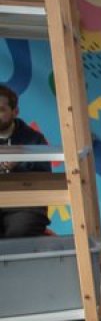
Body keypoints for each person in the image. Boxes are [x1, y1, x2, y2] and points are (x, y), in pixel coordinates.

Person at [0, 84, 52, 238]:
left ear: (15, 112)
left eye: (1, 110)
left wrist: (19, 164)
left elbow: (45, 180)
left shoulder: (34, 139)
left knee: (20, 231)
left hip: (26, 205)